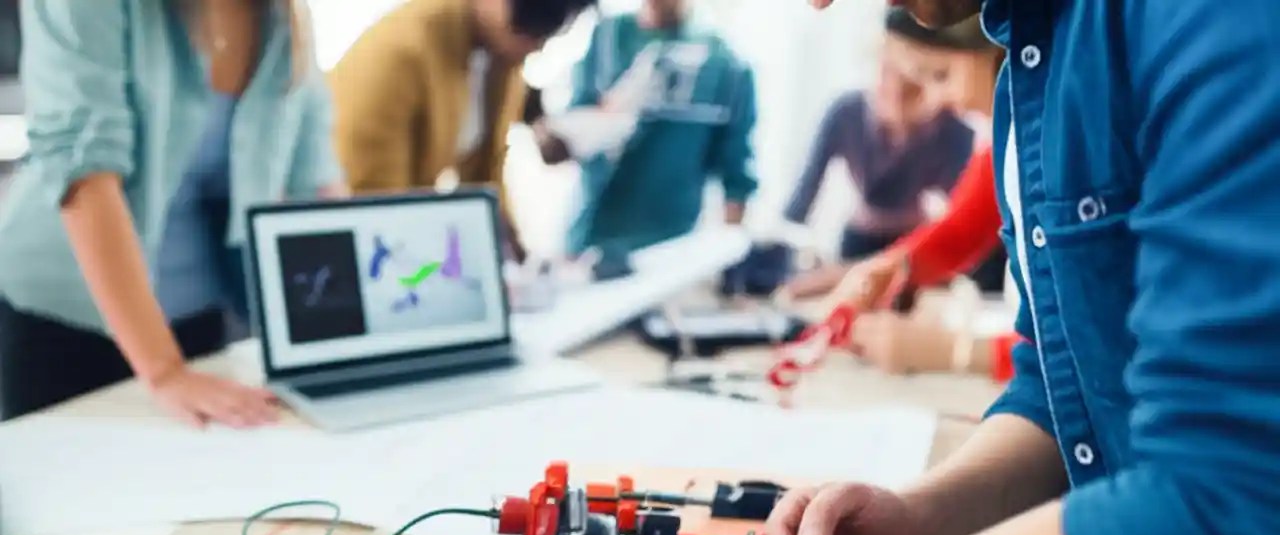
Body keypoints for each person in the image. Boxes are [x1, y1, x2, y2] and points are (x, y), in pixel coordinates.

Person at [520, 0, 1280, 535]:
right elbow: (1069, 385)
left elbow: (1219, 528)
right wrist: (926, 519)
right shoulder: (1035, 59)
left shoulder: (1222, 24)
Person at [0, 0, 345, 425]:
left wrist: (345, 344)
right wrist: (165, 372)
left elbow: (314, 182)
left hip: (201, 319)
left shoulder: (282, 18)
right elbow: (86, 173)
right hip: (65, 323)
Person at [328, 0, 593, 262]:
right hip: (358, 247)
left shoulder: (501, 58)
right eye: (532, 21)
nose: (535, 46)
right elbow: (376, 203)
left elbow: (486, 180)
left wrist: (518, 259)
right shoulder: (399, 50)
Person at [534, 0, 759, 258]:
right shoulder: (606, 38)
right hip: (588, 242)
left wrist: (728, 265)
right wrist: (561, 131)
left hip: (667, 252)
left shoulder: (726, 65)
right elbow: (564, 142)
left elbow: (737, 175)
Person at [784, 13, 975, 265]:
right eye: (886, 74)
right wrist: (778, 250)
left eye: (909, 84)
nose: (895, 89)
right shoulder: (845, 112)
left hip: (915, 239)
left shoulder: (954, 128)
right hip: (857, 238)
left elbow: (965, 211)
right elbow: (803, 195)